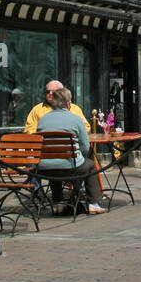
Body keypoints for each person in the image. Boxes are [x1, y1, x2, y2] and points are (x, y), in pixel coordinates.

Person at [36, 87, 104, 215]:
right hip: (71, 166)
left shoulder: (43, 120)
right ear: (68, 103)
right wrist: (81, 157)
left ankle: (58, 202)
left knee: (53, 162)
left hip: (45, 168)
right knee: (90, 165)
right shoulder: (76, 119)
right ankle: (93, 203)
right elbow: (85, 146)